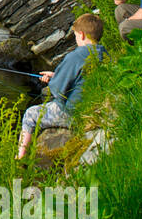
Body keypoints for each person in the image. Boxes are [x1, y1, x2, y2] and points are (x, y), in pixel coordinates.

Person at [16, 13, 105, 161]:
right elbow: (79, 77)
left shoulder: (75, 56)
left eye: (75, 36)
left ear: (81, 35)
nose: (76, 40)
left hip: (71, 112)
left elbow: (58, 90)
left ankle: (20, 157)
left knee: (30, 114)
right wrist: (55, 74)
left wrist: (50, 81)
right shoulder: (102, 53)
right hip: (91, 108)